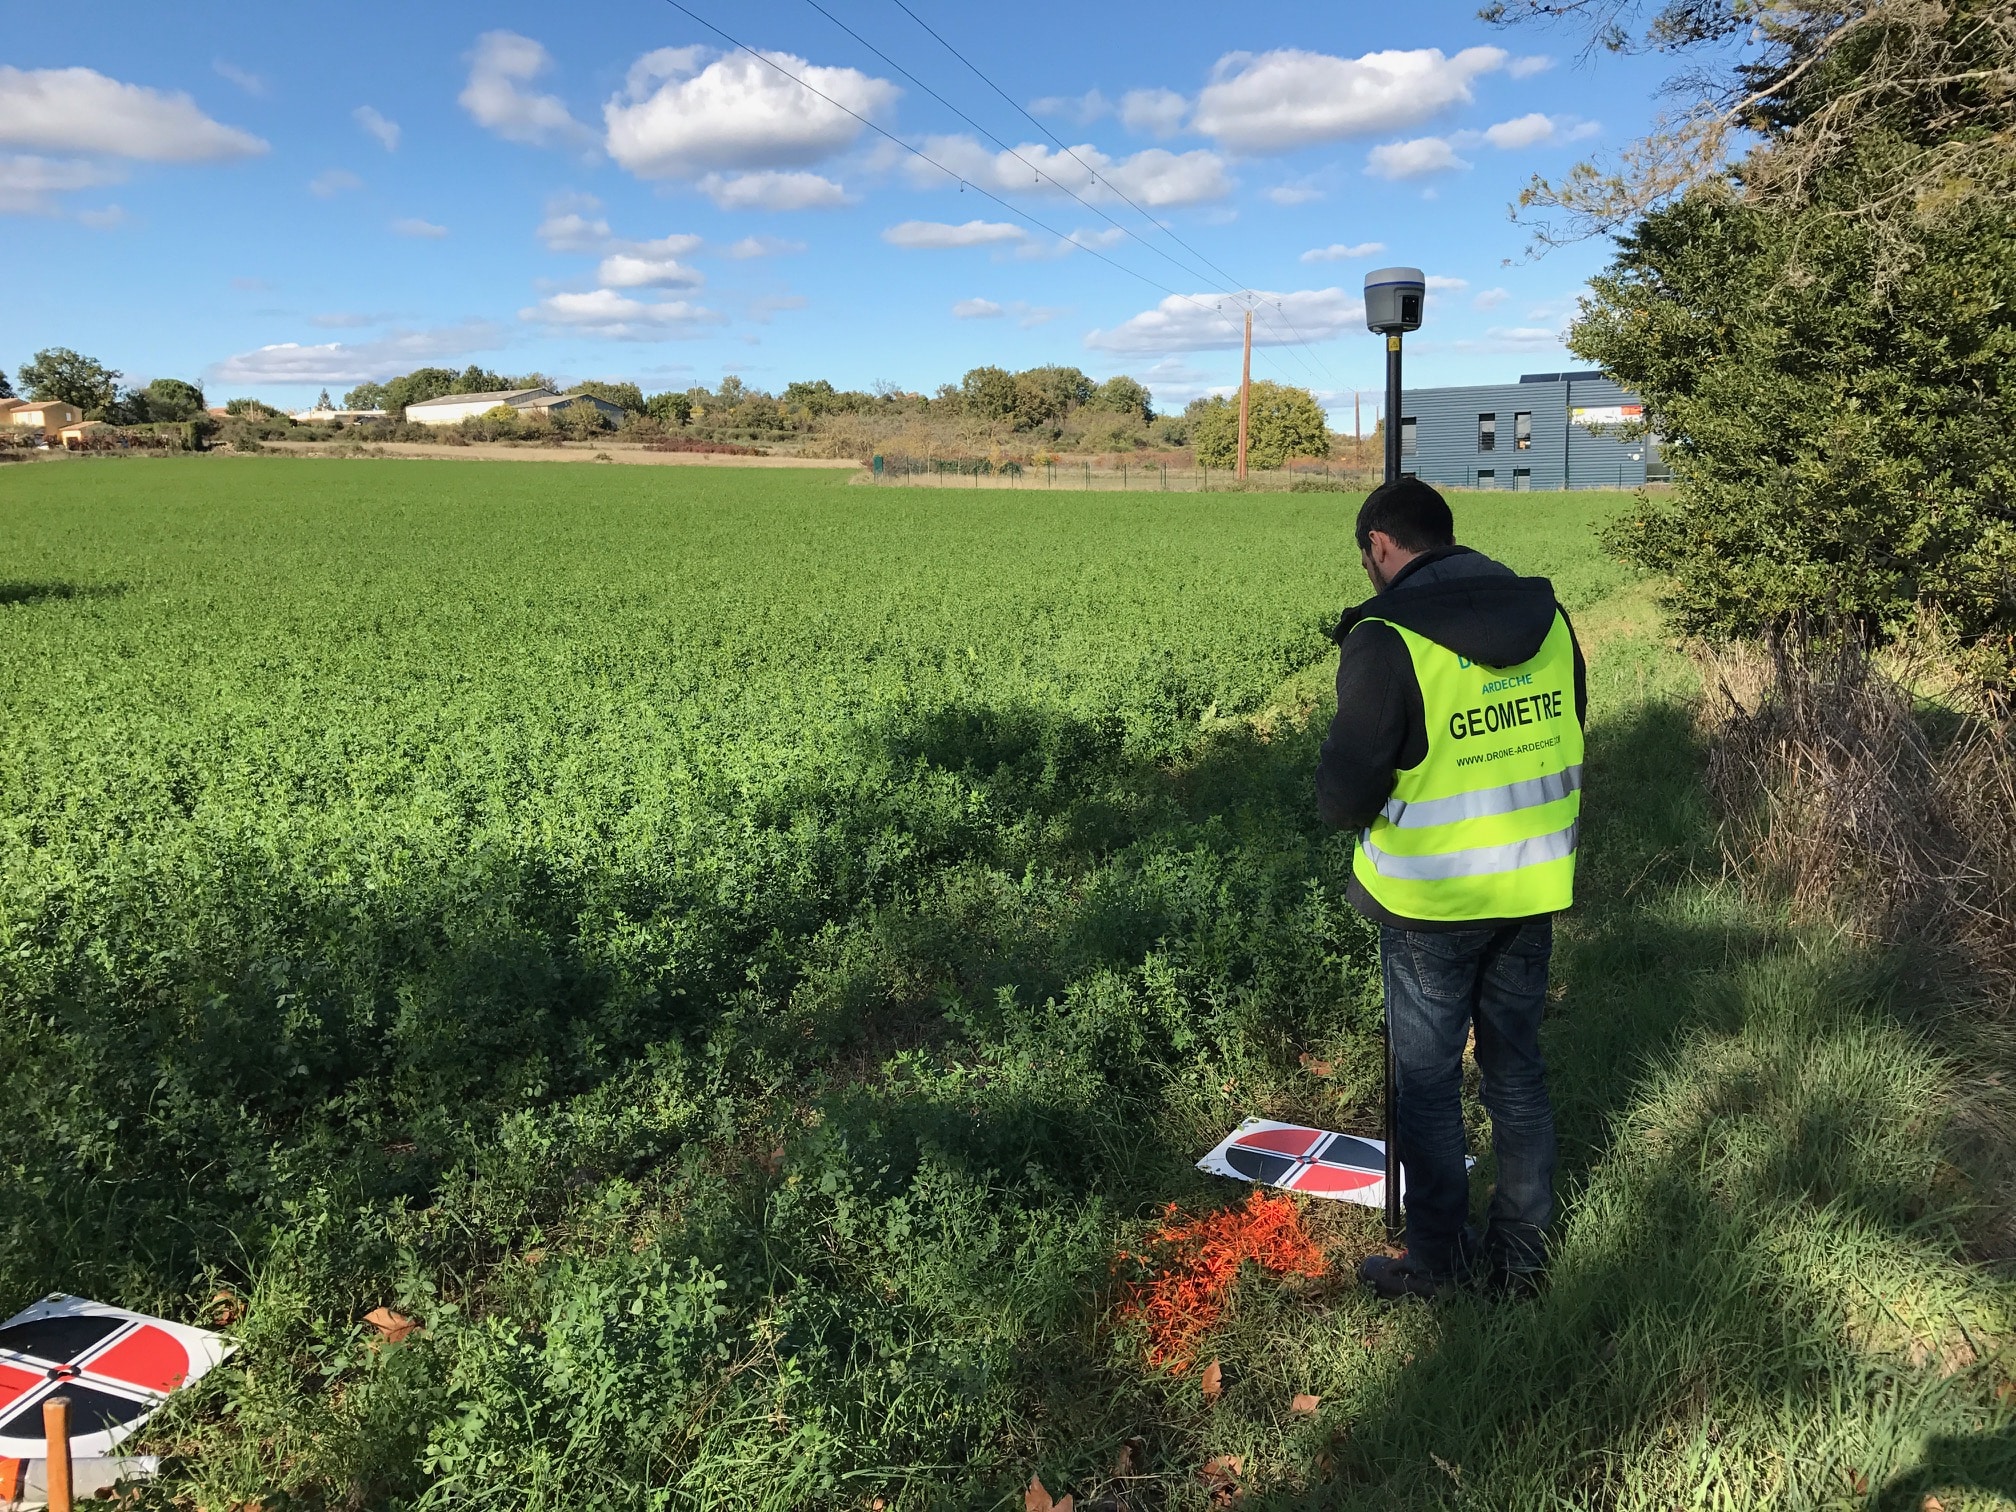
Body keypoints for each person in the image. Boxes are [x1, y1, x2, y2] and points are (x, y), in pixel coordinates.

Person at [1315, 477, 1587, 1301]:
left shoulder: (1387, 636)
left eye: (1367, 556)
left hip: (1431, 900)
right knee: (1516, 1067)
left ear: (1380, 547)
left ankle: (1437, 1260)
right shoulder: (1546, 617)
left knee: (1428, 1083)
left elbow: (1341, 796)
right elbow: (1570, 720)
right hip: (1532, 879)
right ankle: (1524, 1257)